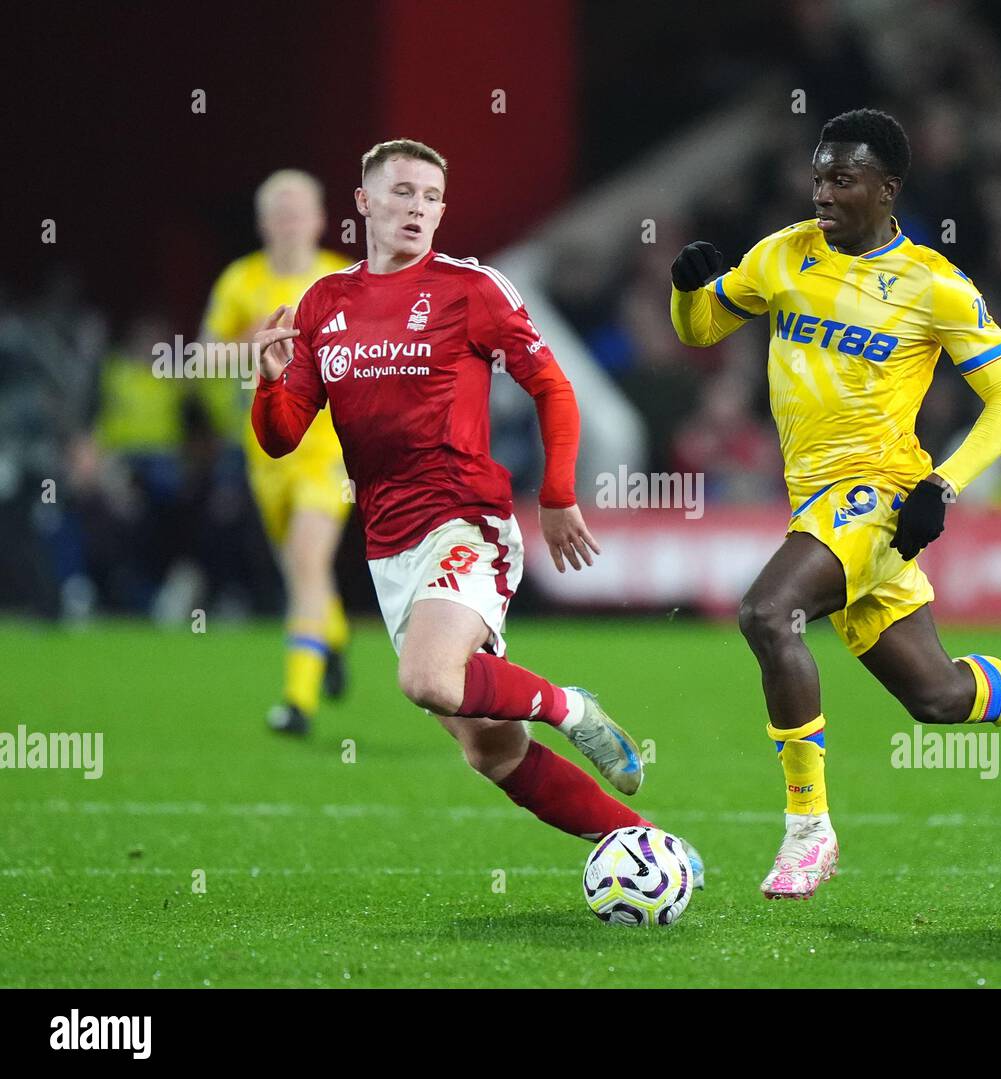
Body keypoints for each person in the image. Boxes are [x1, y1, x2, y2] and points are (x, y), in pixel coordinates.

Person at [669, 109, 1001, 901]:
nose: (823, 192)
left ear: (887, 189)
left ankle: (809, 830)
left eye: (843, 179)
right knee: (938, 697)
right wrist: (686, 288)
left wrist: (945, 483)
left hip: (880, 494)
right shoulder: (783, 255)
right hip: (820, 501)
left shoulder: (934, 284)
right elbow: (702, 329)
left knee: (768, 612)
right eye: (818, 175)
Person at [252, 139, 702, 877]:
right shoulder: (322, 304)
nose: (418, 209)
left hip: (467, 521)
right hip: (388, 547)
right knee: (490, 749)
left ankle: (566, 704)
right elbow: (282, 437)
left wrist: (557, 493)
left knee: (428, 678)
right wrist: (270, 382)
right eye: (402, 193)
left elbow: (554, 385)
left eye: (431, 197)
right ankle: (649, 844)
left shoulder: (471, 288)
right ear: (364, 202)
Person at [201, 170, 354, 733]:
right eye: (279, 212)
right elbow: (201, 359)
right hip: (267, 450)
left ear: (318, 219)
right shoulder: (241, 282)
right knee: (300, 570)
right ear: (264, 222)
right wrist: (252, 345)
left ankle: (298, 700)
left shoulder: (341, 279)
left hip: (329, 451)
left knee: (309, 562)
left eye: (300, 211)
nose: (290, 222)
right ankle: (331, 639)